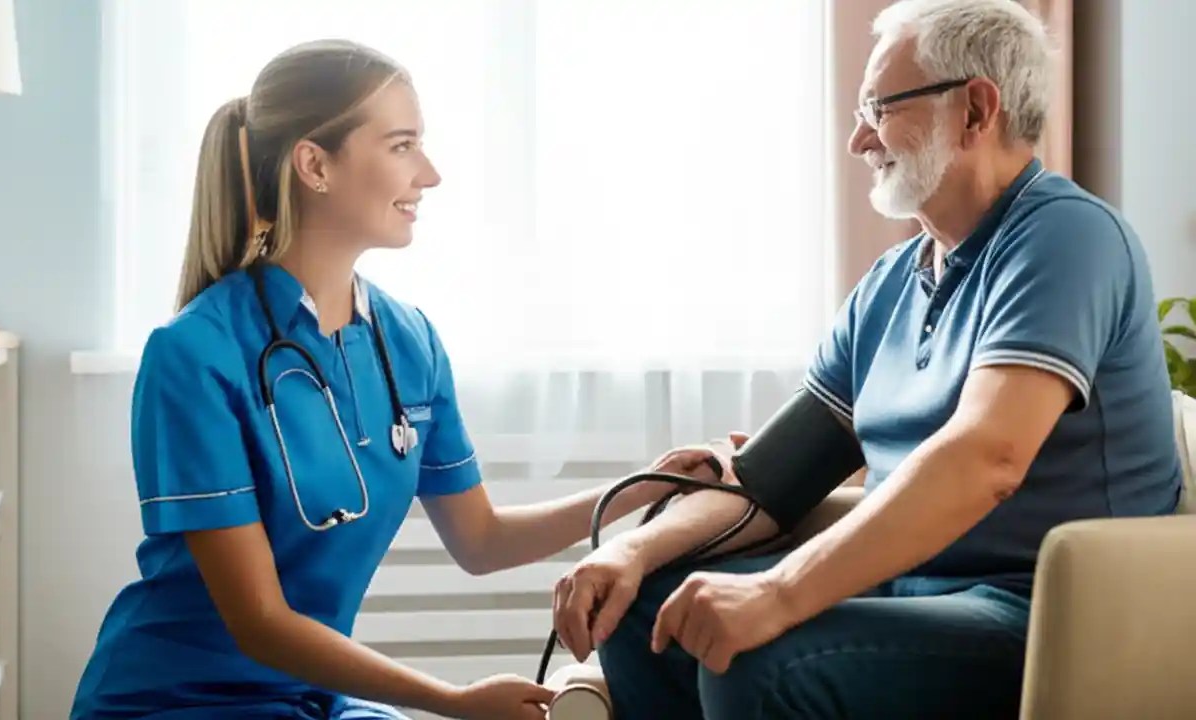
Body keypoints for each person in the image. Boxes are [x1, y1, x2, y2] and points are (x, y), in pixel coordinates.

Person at [551, 1, 1184, 718]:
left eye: (879, 109)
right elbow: (771, 478)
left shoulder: (1068, 237)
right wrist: (632, 554)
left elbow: (988, 456)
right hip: (911, 596)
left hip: (1044, 616)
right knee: (643, 615)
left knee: (753, 659)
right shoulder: (890, 283)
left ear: (976, 110)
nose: (857, 139)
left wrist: (778, 593)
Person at [70, 39, 708, 720]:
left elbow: (482, 539)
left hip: (310, 699)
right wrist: (453, 701)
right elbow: (259, 620)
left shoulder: (409, 342)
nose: (429, 174)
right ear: (315, 165)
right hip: (173, 700)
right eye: (402, 146)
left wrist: (647, 485)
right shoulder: (195, 353)